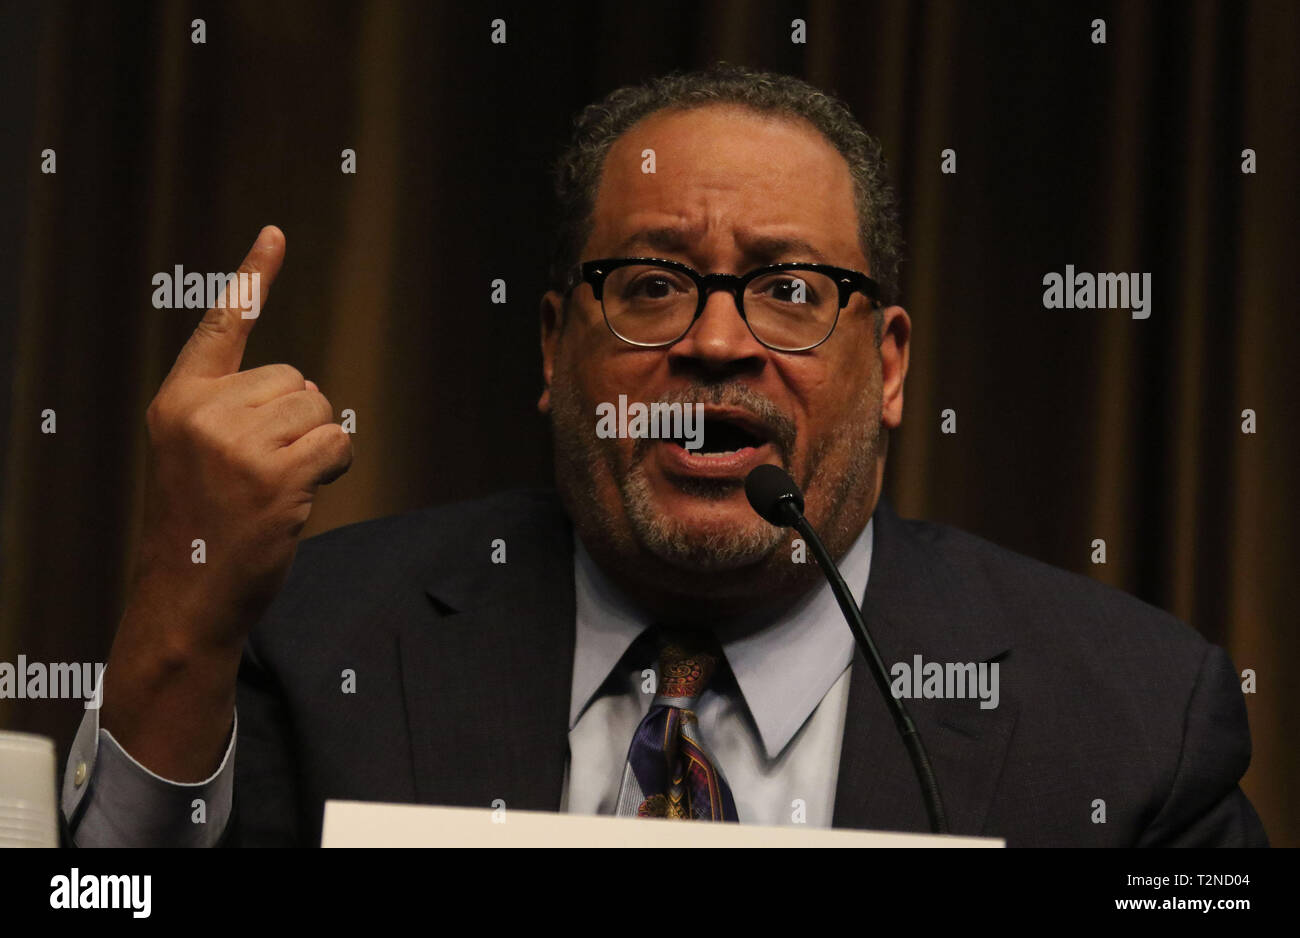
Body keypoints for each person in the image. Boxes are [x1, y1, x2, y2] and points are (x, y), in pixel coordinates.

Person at [61, 64, 1266, 847]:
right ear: (553, 344)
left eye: (791, 290)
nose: (716, 341)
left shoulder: (1131, 724)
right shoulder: (317, 644)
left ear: (888, 366)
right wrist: (183, 593)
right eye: (650, 285)